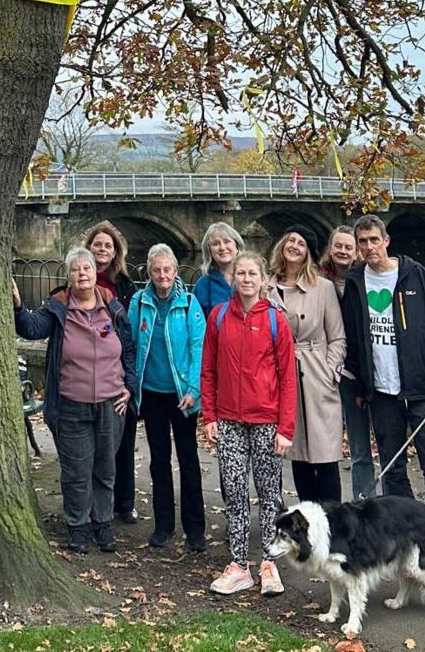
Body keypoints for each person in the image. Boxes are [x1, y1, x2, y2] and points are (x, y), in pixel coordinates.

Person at [342, 214, 425, 570]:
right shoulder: (355, 281)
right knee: (394, 471)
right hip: (383, 392)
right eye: (363, 242)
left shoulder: (415, 275)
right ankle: (412, 536)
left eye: (374, 240)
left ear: (386, 240)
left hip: (420, 390)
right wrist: (362, 384)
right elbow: (353, 338)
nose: (369, 248)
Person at [14, 247, 136, 555]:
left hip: (111, 403)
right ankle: (78, 527)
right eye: (76, 270)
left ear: (96, 274)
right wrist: (17, 306)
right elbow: (30, 329)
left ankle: (103, 524)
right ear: (68, 276)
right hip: (71, 403)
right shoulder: (58, 307)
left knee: (105, 468)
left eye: (87, 269)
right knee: (76, 471)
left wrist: (130, 387)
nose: (82, 273)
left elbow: (130, 350)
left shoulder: (113, 307)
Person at [200, 251, 296, 597]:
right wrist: (209, 415)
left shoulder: (275, 320)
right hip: (229, 420)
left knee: (270, 495)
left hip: (266, 420)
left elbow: (287, 378)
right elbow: (208, 369)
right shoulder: (219, 317)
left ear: (262, 279)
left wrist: (286, 428)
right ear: (233, 278)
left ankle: (269, 563)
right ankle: (239, 565)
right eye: (240, 273)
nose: (246, 279)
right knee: (236, 492)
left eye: (252, 273)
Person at [129, 244, 206, 552]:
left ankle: (195, 529)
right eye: (156, 270)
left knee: (188, 459)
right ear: (149, 272)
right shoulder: (139, 302)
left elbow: (199, 349)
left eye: (167, 269)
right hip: (152, 394)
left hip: (182, 394)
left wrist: (194, 390)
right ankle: (163, 526)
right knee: (159, 460)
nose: (162, 275)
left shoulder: (189, 304)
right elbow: (132, 345)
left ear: (176, 272)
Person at [267, 225, 346, 503]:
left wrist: (330, 372)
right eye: (290, 240)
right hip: (280, 376)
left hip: (316, 374)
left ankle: (333, 523)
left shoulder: (322, 288)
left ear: (308, 254)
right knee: (297, 455)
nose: (294, 246)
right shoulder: (267, 288)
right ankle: (308, 520)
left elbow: (337, 336)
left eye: (301, 243)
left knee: (324, 457)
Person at [83, 221, 141, 525]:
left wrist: (129, 380)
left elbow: (129, 334)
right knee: (92, 444)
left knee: (122, 442)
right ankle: (93, 502)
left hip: (117, 372)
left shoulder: (125, 286)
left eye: (108, 245)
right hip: (87, 375)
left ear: (115, 251)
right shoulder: (78, 279)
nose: (102, 249)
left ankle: (125, 502)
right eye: (97, 244)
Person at [318, 225, 375, 500]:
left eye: (348, 247)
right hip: (325, 370)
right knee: (329, 440)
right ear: (331, 248)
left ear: (356, 252)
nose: (342, 251)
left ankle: (365, 502)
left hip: (359, 372)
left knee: (361, 445)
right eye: (338, 246)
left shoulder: (363, 280)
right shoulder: (318, 280)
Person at [193, 222, 246, 318]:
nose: (222, 247)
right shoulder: (202, 285)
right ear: (209, 250)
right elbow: (196, 324)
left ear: (237, 247)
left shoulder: (251, 278)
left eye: (227, 242)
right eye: (216, 243)